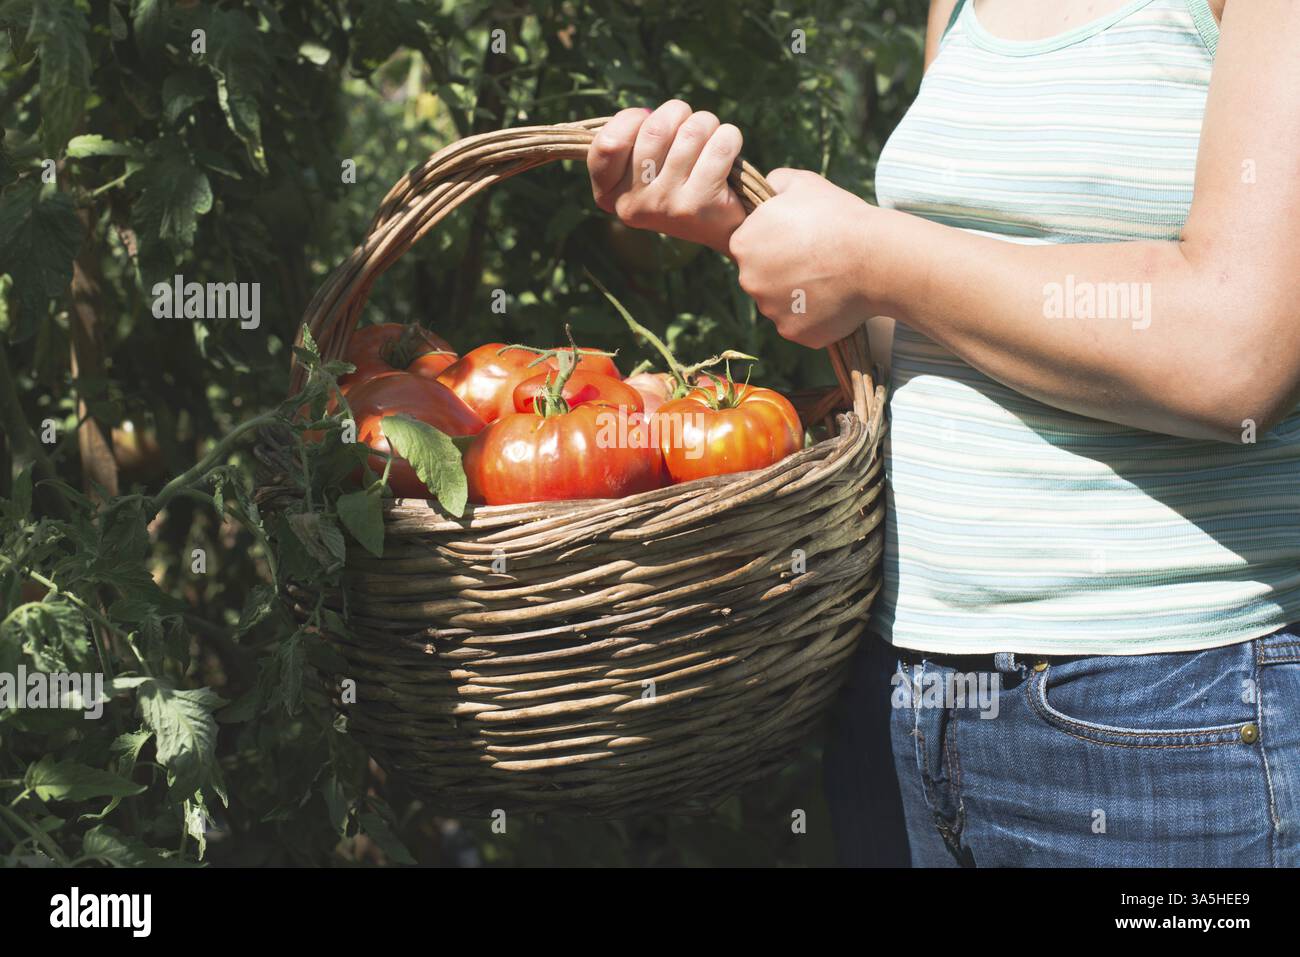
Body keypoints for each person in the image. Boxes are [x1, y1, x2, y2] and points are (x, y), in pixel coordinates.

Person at [586, 0, 1300, 866]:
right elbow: (946, 320)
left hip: (1162, 708)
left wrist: (873, 255)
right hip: (904, 683)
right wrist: (758, 234)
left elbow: (1240, 351)